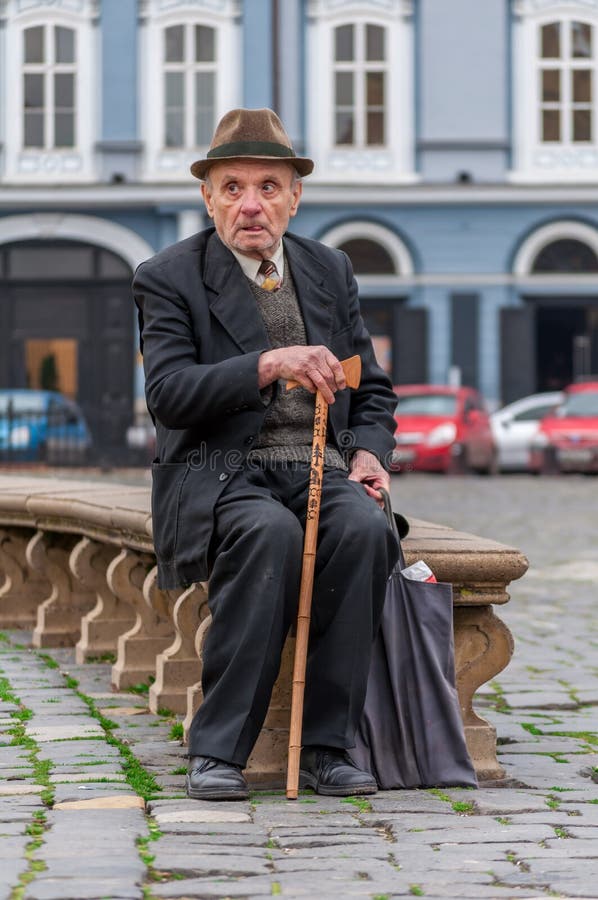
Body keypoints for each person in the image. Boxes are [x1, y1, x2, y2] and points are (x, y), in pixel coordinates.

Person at [133, 108, 399, 801]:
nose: (251, 204)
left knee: (366, 532)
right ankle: (218, 749)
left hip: (320, 465)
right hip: (222, 475)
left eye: (268, 187)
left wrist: (369, 454)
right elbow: (169, 396)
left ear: (294, 195)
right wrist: (269, 361)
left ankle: (326, 747)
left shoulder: (329, 268)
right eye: (232, 187)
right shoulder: (168, 276)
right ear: (208, 196)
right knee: (269, 535)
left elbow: (367, 387)